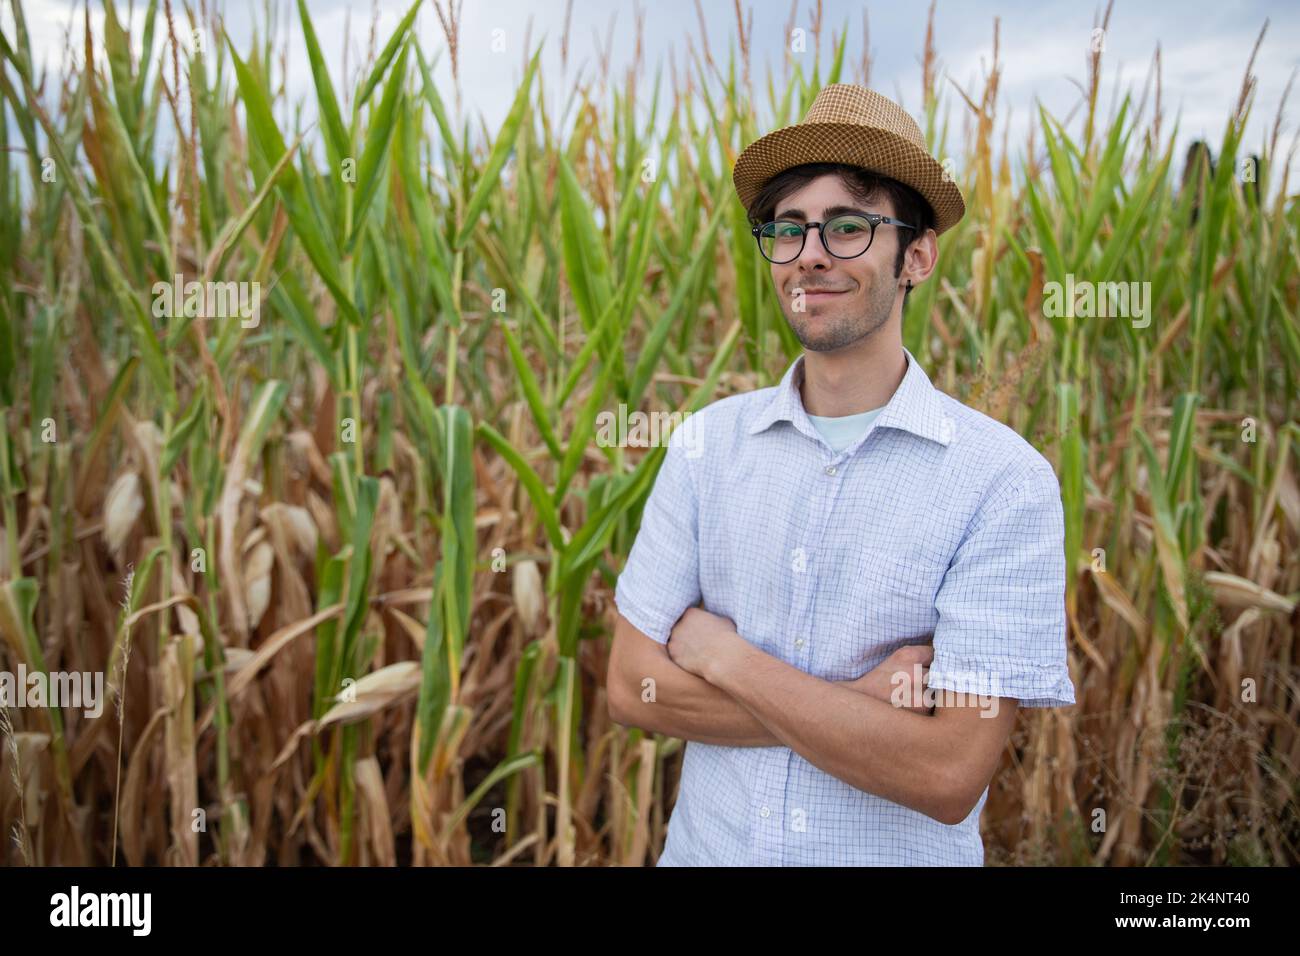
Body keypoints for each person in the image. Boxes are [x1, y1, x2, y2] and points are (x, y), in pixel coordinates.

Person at [607, 84, 1075, 866]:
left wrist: (727, 661)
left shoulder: (1003, 483)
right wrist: (862, 707)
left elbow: (948, 770)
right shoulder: (704, 446)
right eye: (788, 230)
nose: (810, 254)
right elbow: (632, 688)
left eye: (849, 227)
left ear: (917, 256)